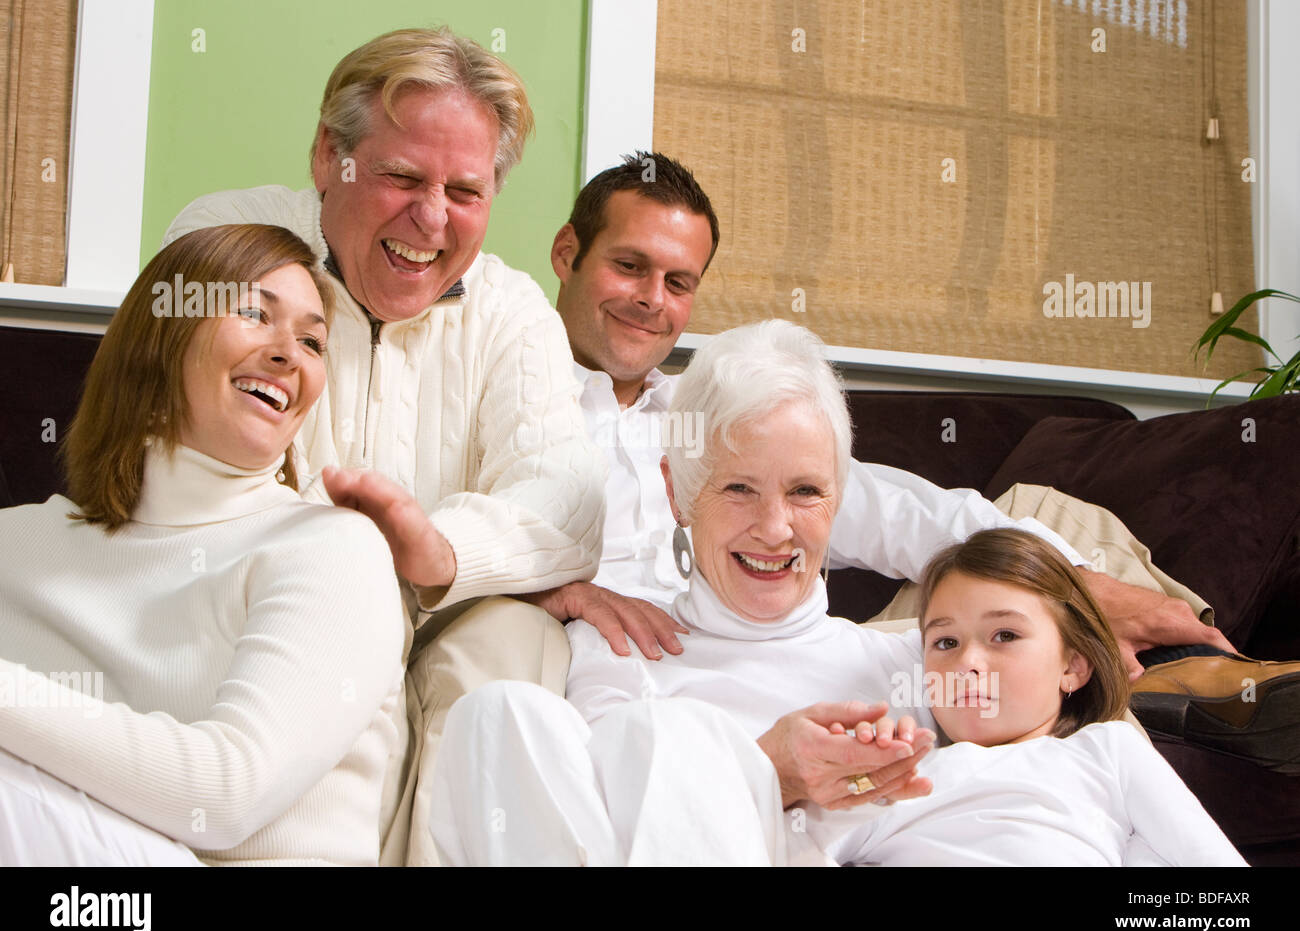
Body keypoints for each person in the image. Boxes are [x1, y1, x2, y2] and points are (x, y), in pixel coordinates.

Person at [162, 27, 607, 863]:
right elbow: (170, 447)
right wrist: (354, 568)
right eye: (403, 176)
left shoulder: (513, 313)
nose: (432, 218)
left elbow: (569, 504)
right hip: (258, 599)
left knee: (517, 643)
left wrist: (437, 550)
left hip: (440, 617)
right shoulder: (226, 240)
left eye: (465, 191)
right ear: (331, 157)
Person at [535, 151, 1235, 680]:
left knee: (1042, 529)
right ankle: (1191, 686)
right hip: (662, 674)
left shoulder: (710, 412)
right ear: (568, 254)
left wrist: (1078, 585)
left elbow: (900, 515)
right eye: (630, 266)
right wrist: (561, 591)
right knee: (1032, 594)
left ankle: (1206, 676)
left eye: (678, 282)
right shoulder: (511, 400)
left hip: (807, 654)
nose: (654, 299)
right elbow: (449, 554)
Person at [429, 321, 941, 865]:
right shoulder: (619, 648)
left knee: (666, 731)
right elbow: (598, 835)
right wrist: (768, 769)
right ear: (678, 494)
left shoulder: (918, 664)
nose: (774, 528)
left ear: (837, 500)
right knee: (492, 713)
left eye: (805, 491)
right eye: (739, 489)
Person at [0, 224, 407, 865]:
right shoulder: (16, 544)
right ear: (160, 337)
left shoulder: (331, 550)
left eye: (312, 341)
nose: (289, 355)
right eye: (254, 313)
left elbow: (225, 794)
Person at [804, 528, 1246, 866]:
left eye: (1005, 635)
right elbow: (782, 844)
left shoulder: (1108, 752)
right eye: (945, 642)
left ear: (1072, 666)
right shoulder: (900, 774)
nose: (967, 662)